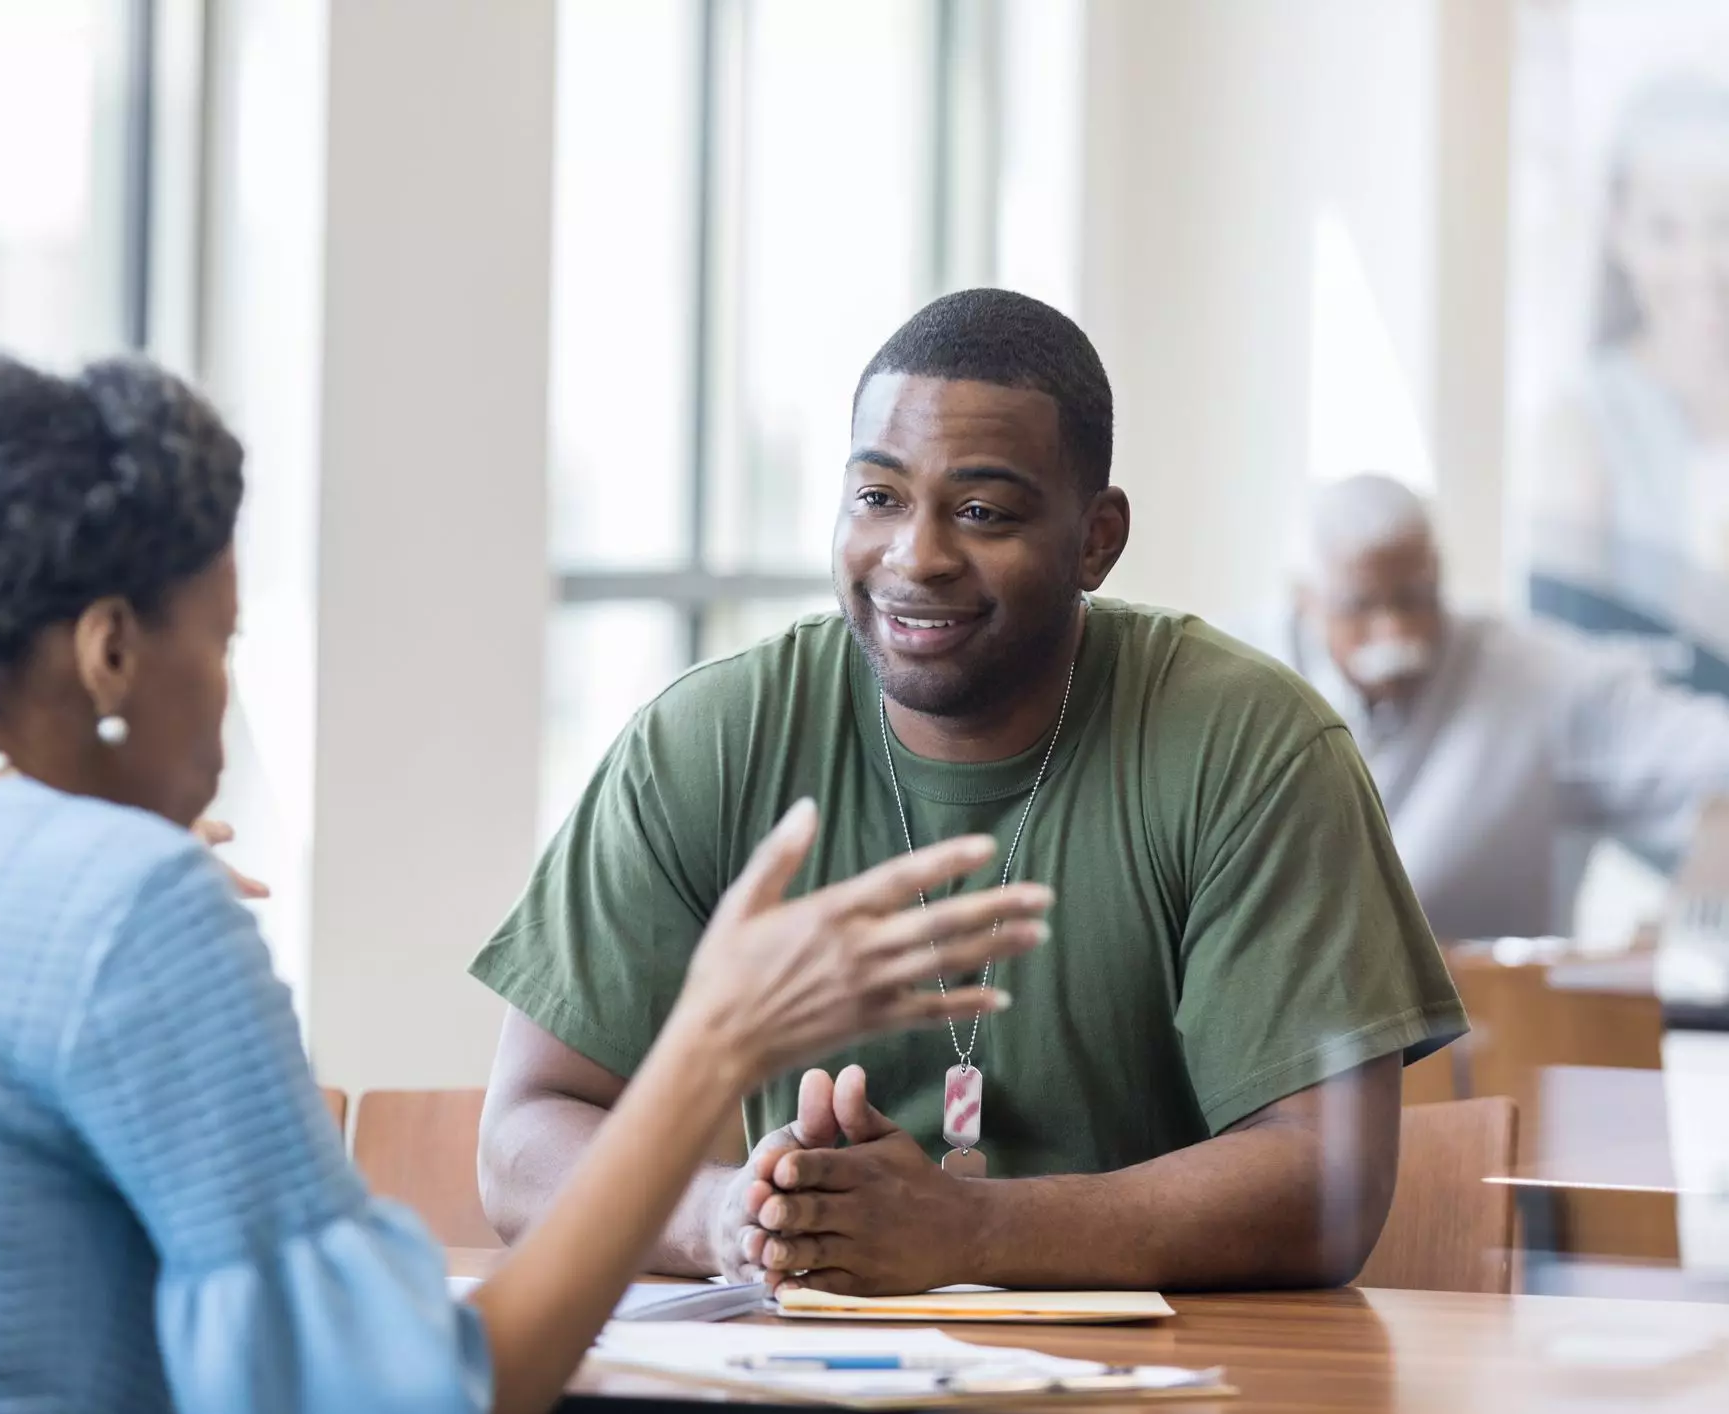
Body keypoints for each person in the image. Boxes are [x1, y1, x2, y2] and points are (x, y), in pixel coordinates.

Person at [0, 354, 1052, 1414]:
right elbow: (437, 1392)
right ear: (110, 650)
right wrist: (710, 1045)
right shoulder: (121, 910)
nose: (226, 698)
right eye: (220, 640)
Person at [472, 289, 1465, 1297]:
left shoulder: (1253, 747)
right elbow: (523, 1136)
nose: (917, 556)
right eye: (878, 498)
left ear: (1097, 538)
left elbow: (1328, 1178)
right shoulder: (709, 742)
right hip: (797, 1377)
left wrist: (974, 1232)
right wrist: (723, 1218)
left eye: (983, 511)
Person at [1252, 472, 1729, 942]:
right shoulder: (1232, 690)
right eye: (1359, 605)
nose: (1394, 630)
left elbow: (1704, 755)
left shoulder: (1535, 678)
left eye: (1415, 598)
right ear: (1303, 600)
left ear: (1438, 572)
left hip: (1495, 1009)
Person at [1529, 75, 1729, 693]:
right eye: (1666, 230)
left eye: (1723, 224)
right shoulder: (1582, 423)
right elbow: (1573, 670)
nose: (1703, 264)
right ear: (1619, 231)